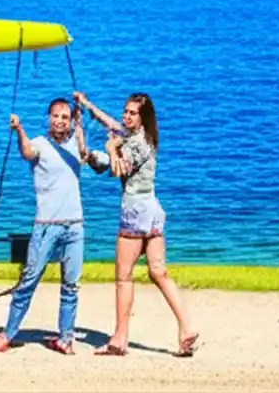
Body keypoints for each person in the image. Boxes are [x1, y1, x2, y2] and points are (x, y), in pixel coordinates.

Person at [74, 90, 200, 357]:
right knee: (158, 272)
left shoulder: (137, 144)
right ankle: (187, 328)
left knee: (123, 277)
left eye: (132, 113)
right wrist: (87, 105)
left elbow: (119, 169)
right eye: (126, 111)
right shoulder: (141, 138)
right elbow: (110, 124)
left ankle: (119, 339)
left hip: (135, 212)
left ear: (143, 118)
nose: (126, 117)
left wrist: (110, 149)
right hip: (152, 211)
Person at [0, 98, 107, 355]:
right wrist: (19, 129)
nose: (60, 121)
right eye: (56, 116)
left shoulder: (75, 144)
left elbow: (88, 155)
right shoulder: (40, 143)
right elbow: (27, 152)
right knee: (29, 280)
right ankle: (8, 334)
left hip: (75, 226)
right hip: (46, 226)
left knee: (71, 285)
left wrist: (81, 120)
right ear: (49, 118)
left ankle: (66, 338)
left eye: (65, 117)